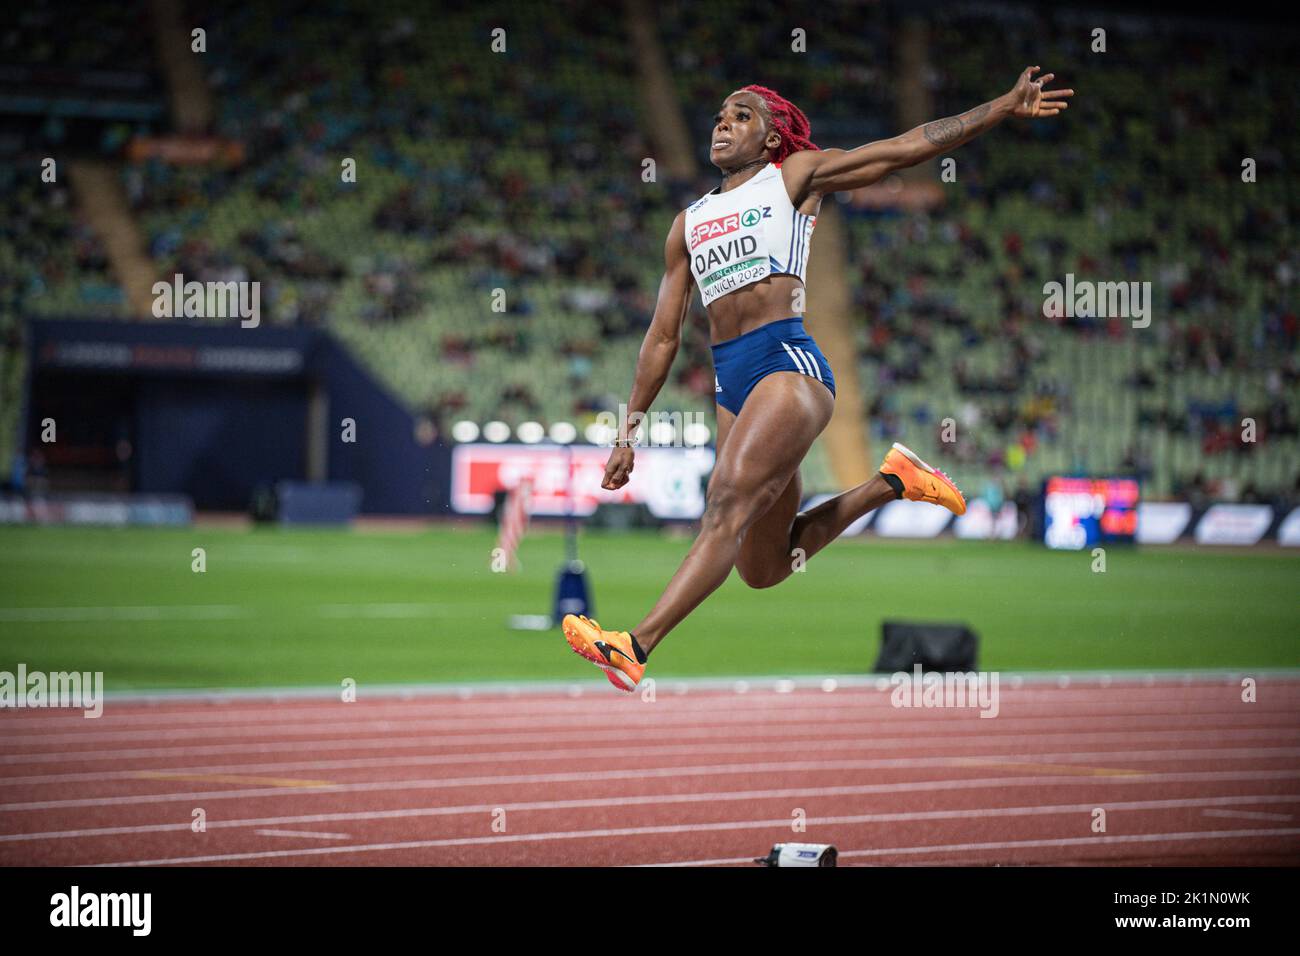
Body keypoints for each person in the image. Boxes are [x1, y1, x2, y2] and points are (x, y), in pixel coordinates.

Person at [564, 68, 1073, 691]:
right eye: (721, 114)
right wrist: (628, 432)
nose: (724, 122)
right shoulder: (688, 223)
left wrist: (1000, 106)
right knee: (763, 565)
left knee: (723, 504)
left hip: (787, 367)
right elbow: (663, 337)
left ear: (774, 136)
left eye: (742, 115)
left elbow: (904, 149)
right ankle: (894, 481)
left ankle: (634, 645)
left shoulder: (795, 177)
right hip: (732, 382)